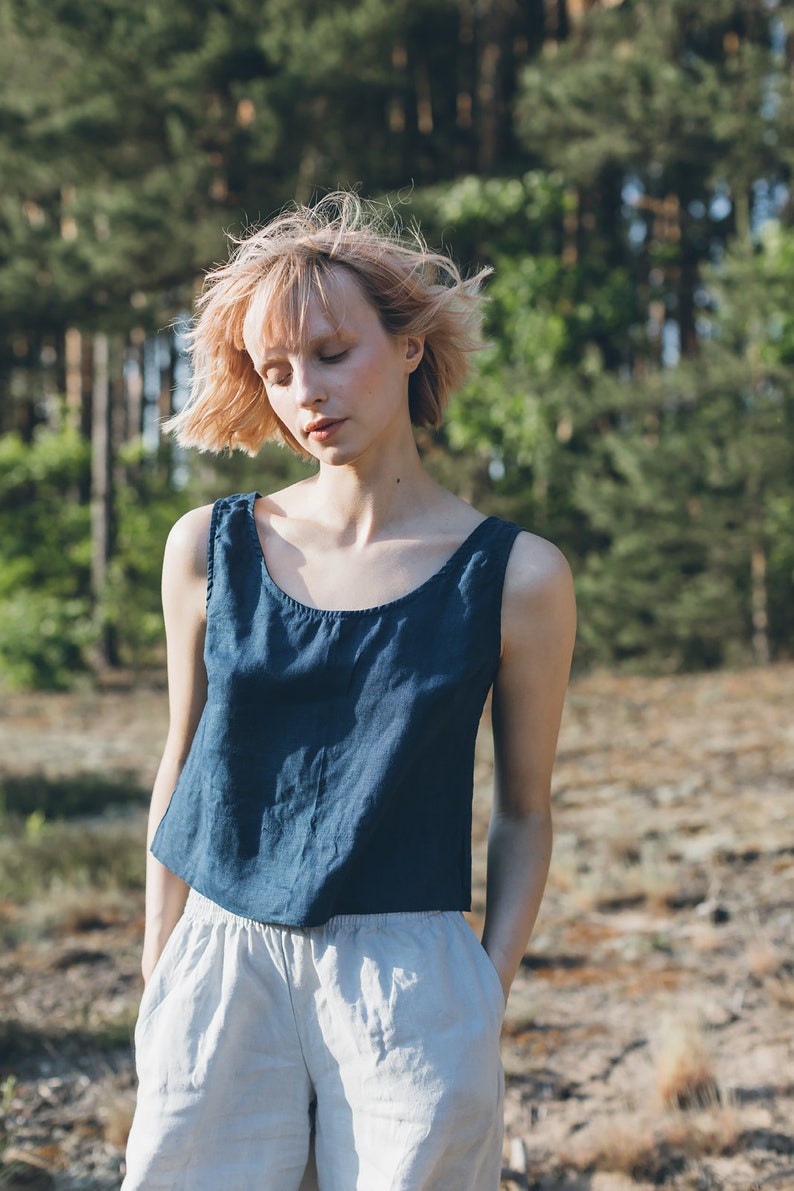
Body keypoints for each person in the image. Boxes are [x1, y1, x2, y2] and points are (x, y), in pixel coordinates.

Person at [122, 192, 576, 1191]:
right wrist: (162, 967)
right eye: (274, 371)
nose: (303, 395)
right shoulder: (208, 548)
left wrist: (479, 998)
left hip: (410, 979)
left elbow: (525, 813)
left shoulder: (517, 577)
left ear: (408, 346)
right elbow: (181, 760)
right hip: (220, 959)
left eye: (330, 354)